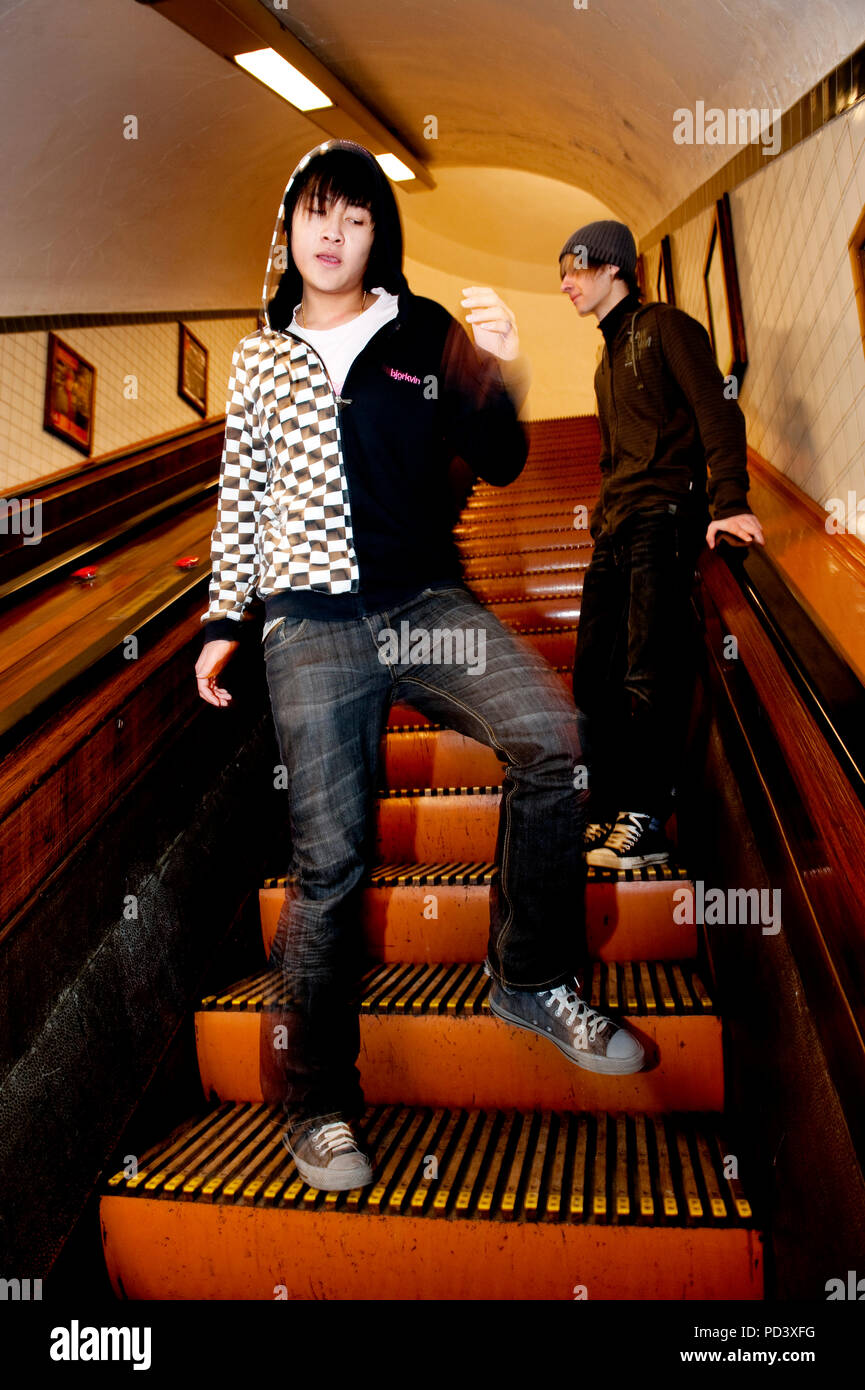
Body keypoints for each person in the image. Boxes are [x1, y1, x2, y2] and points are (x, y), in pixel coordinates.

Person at [195, 144, 645, 1193]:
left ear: (373, 235)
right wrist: (226, 616)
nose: (331, 234)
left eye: (352, 217)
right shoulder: (259, 357)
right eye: (314, 214)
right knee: (330, 866)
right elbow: (239, 498)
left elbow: (496, 461)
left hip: (422, 601)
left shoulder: (421, 331)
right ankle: (316, 1101)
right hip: (307, 623)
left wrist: (496, 372)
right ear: (290, 230)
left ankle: (529, 974)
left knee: (552, 740)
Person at [559, 220, 766, 869]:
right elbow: (610, 455)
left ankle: (645, 819)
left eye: (574, 268)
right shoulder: (604, 359)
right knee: (594, 678)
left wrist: (728, 500)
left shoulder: (665, 327)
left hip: (661, 518)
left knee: (650, 671)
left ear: (612, 268)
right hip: (615, 527)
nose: (565, 282)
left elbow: (715, 409)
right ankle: (613, 807)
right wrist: (599, 517)